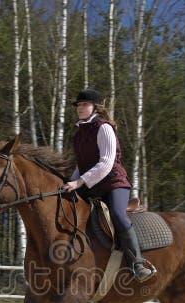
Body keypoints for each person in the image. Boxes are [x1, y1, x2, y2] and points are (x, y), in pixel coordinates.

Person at [61, 87, 154, 282]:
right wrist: (70, 182)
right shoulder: (79, 134)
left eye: (84, 104)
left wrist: (79, 182)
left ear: (95, 107)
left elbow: (106, 163)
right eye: (78, 105)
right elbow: (81, 165)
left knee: (118, 215)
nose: (80, 107)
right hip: (91, 184)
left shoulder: (104, 128)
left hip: (113, 182)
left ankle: (138, 263)